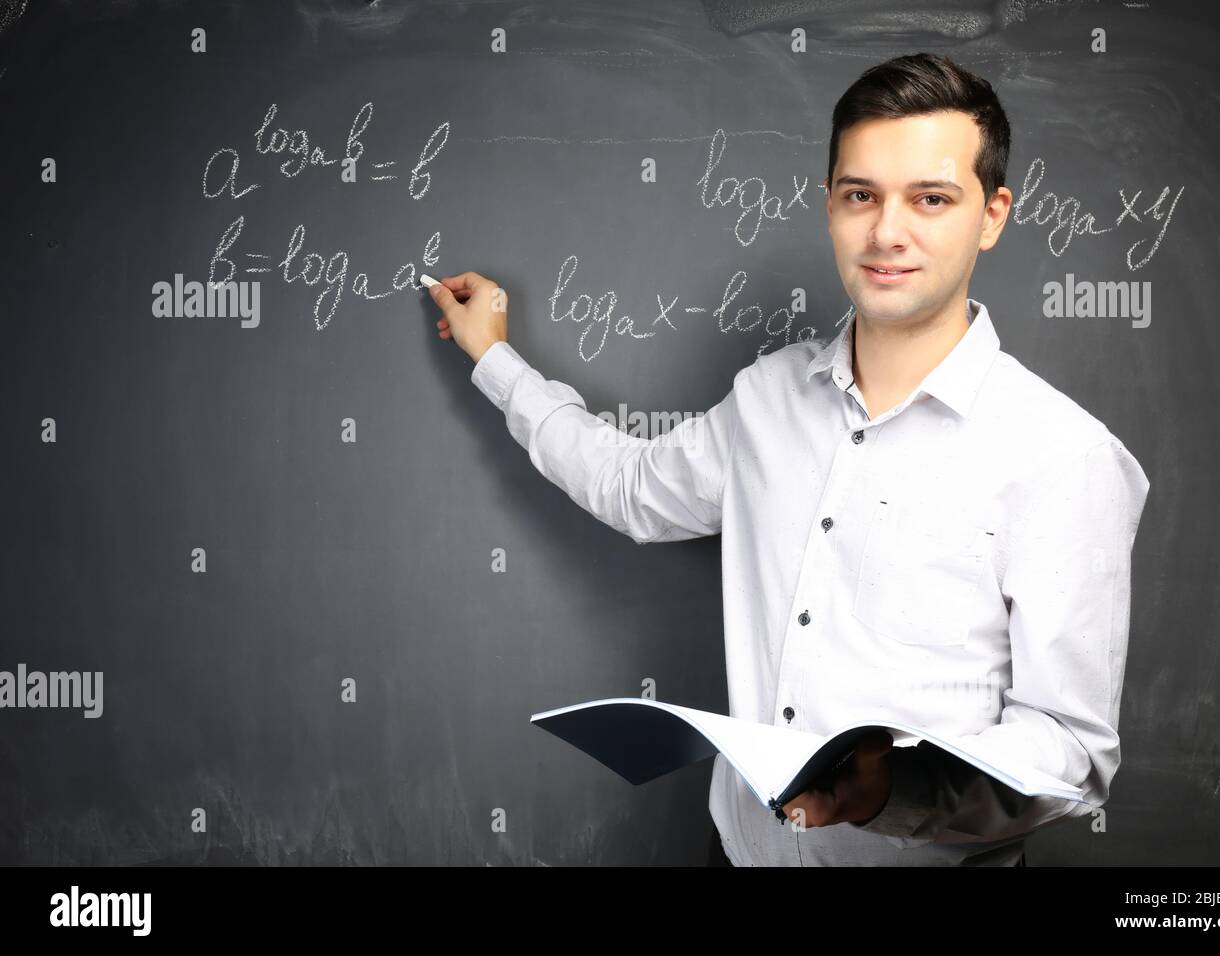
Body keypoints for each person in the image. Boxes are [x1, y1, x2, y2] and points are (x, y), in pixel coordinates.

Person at [425, 52, 1151, 866]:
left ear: (992, 214)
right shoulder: (767, 398)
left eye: (932, 199)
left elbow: (1072, 753)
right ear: (831, 206)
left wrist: (894, 792)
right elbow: (628, 488)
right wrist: (496, 360)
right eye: (860, 195)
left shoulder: (1064, 456)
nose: (886, 231)